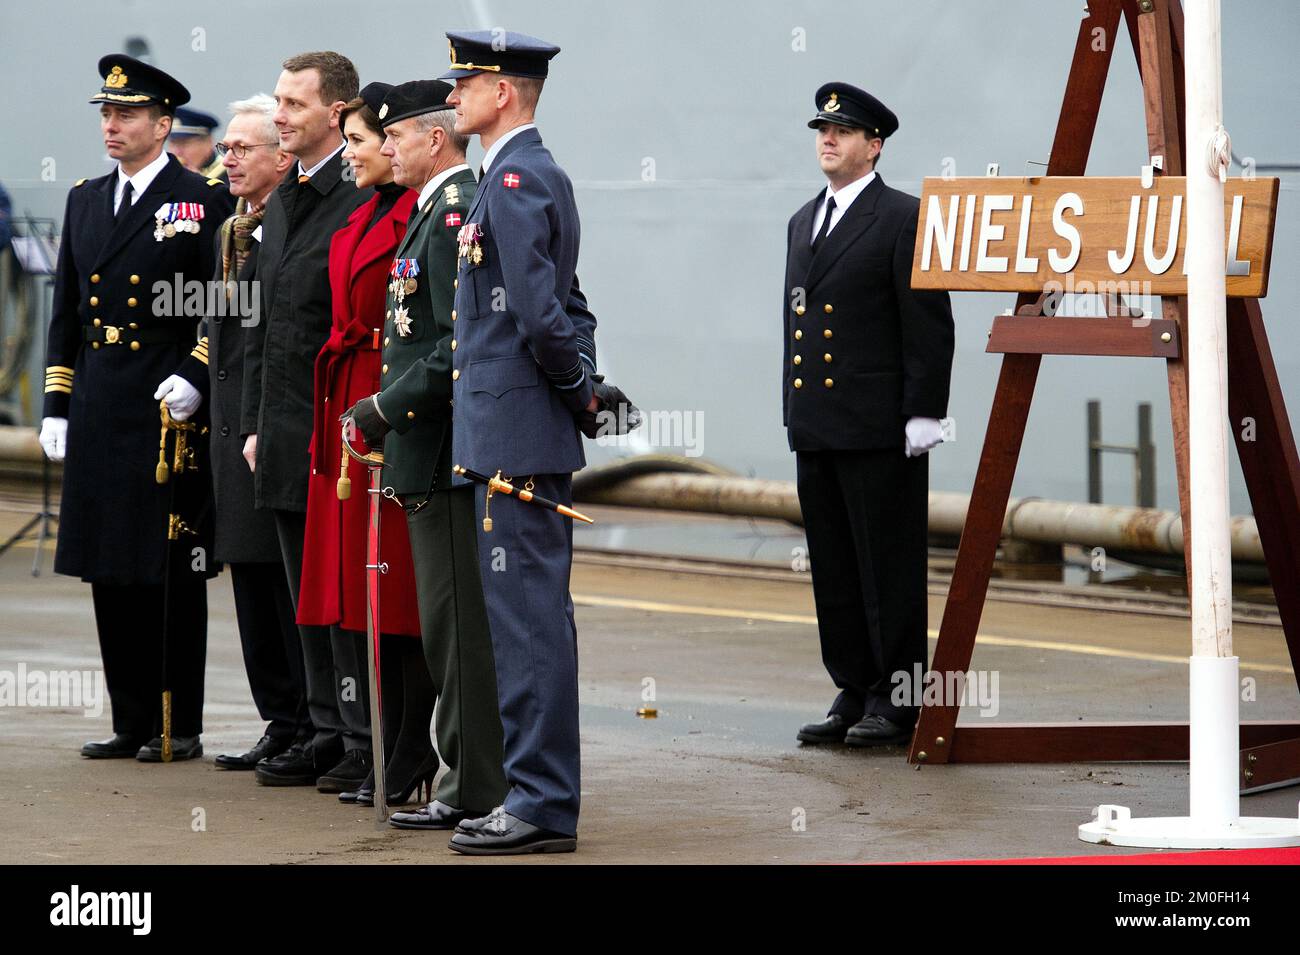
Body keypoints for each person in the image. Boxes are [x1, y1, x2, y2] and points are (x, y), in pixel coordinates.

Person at [39, 54, 233, 761]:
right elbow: (66, 306)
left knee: (168, 566)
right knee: (108, 565)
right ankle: (130, 718)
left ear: (163, 123)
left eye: (126, 114)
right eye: (105, 114)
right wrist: (57, 401)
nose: (111, 125)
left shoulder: (203, 199)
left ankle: (176, 722)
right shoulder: (86, 198)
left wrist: (197, 373)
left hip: (165, 409)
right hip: (98, 401)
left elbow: (226, 304)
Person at [438, 29, 604, 855]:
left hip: (516, 438)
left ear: (504, 91)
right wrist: (587, 386)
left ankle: (541, 801)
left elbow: (543, 314)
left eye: (466, 82)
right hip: (511, 432)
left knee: (529, 623)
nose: (454, 93)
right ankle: (532, 791)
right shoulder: (522, 174)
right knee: (525, 620)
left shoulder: (511, 176)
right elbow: (572, 303)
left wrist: (575, 394)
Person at [346, 79, 508, 829]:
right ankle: (464, 775)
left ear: (432, 138)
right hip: (425, 452)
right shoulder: (433, 212)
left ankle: (471, 785)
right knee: (447, 628)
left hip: (442, 453)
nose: (384, 148)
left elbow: (457, 343)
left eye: (396, 136)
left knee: (456, 629)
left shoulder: (448, 216)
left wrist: (384, 408)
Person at [786, 83, 954, 748]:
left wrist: (924, 413)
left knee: (888, 564)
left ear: (873, 145)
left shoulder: (902, 217)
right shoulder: (803, 220)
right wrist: (792, 410)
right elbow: (796, 325)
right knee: (833, 564)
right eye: (822, 130)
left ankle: (900, 694)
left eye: (843, 131)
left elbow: (929, 323)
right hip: (820, 423)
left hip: (881, 426)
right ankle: (854, 687)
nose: (827, 139)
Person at [240, 51, 373, 792]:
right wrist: (259, 420)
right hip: (287, 427)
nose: (279, 115)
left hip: (338, 430)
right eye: (279, 102)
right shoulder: (287, 197)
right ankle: (324, 728)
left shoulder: (356, 199)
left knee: (345, 590)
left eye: (293, 104)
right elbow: (265, 323)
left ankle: (360, 734)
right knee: (306, 594)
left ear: (335, 113)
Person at [297, 81, 432, 805]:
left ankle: (410, 747)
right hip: (349, 410)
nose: (350, 154)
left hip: (391, 411)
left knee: (399, 596)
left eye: (358, 141)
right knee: (362, 593)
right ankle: (376, 741)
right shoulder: (363, 213)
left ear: (395, 141)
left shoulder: (426, 214)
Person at [196, 94, 311, 771]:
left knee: (285, 580)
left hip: (271, 427)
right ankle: (278, 717)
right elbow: (220, 331)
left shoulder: (291, 226)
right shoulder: (231, 231)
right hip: (230, 426)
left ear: (279, 156)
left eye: (242, 148)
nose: (227, 158)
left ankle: (308, 720)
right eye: (227, 148)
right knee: (247, 578)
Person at [168, 106, 226, 182]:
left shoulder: (229, 175)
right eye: (173, 143)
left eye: (184, 144)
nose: (177, 152)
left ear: (208, 143)